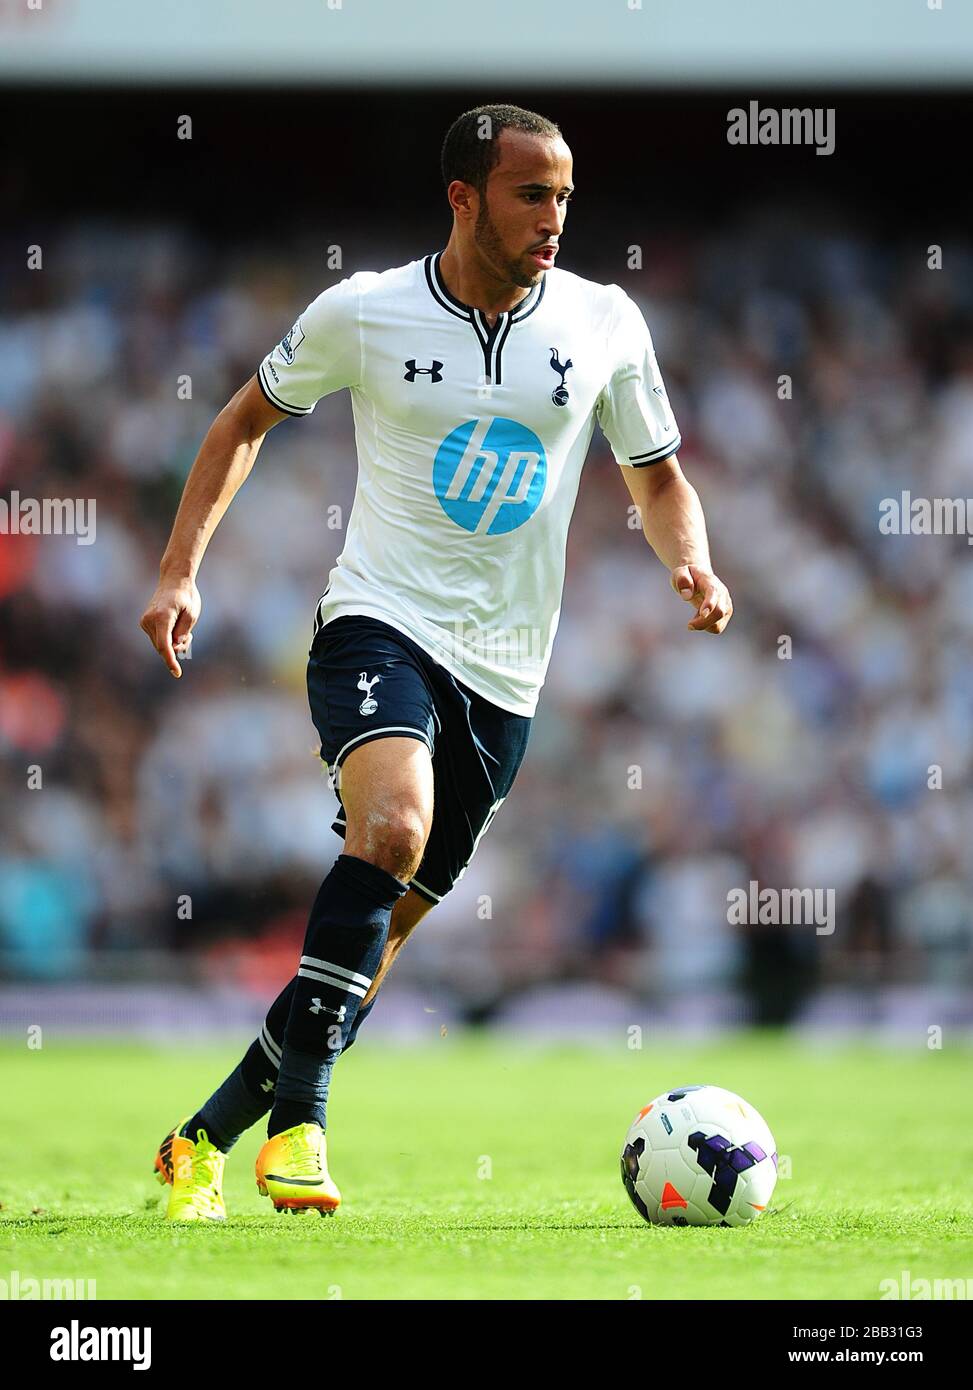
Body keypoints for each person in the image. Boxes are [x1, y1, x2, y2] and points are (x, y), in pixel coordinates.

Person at [139, 103, 733, 1221]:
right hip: (379, 619)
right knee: (392, 830)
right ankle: (299, 1128)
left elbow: (656, 476)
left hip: (507, 674)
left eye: (564, 195)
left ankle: (198, 1139)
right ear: (463, 197)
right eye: (531, 194)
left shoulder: (604, 321)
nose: (555, 216)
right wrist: (179, 571)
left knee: (373, 943)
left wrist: (690, 563)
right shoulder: (362, 311)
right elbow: (238, 424)